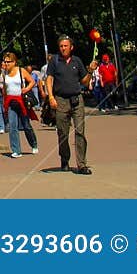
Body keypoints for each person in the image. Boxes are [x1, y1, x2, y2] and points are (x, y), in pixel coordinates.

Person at [44, 34, 96, 175]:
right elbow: (49, 79)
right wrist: (51, 97)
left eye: (65, 46)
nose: (63, 48)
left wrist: (90, 70)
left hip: (77, 100)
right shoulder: (54, 61)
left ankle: (81, 165)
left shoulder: (77, 61)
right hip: (60, 100)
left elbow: (84, 81)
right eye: (61, 46)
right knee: (62, 133)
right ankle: (65, 159)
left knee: (80, 132)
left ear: (71, 47)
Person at [0, 52, 39, 156]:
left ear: (14, 62)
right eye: (5, 61)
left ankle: (34, 144)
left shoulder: (21, 71)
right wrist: (4, 100)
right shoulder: (5, 74)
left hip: (22, 101)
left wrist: (26, 89)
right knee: (12, 126)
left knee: (26, 125)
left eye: (9, 61)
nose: (6, 64)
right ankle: (16, 150)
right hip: (10, 102)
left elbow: (32, 82)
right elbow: (5, 88)